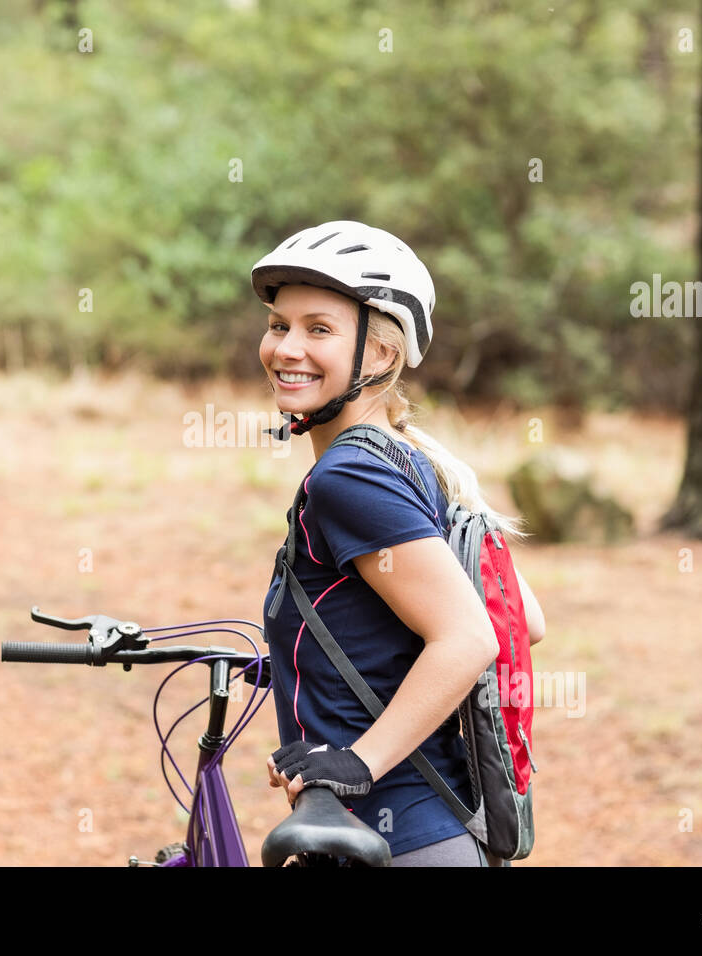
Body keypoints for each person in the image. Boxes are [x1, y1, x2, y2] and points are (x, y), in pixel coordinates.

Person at [254, 221, 546, 866]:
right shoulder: (408, 457)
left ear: (383, 354)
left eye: (319, 329)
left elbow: (472, 636)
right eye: (279, 325)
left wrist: (358, 761)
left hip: (397, 835)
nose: (287, 347)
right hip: (440, 828)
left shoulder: (348, 477)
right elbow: (528, 617)